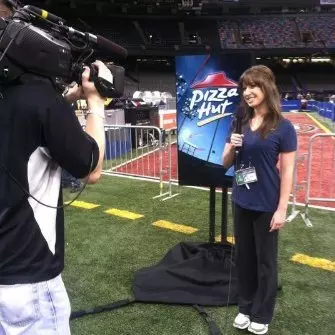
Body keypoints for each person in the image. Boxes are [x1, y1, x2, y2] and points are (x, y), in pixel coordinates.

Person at [0, 12, 109, 332]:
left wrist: (67, 97)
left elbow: (27, 127)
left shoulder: (16, 98)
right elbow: (91, 168)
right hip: (28, 272)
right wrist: (96, 102)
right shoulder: (42, 102)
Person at [222, 65, 297, 335]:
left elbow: (287, 171)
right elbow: (225, 162)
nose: (248, 92)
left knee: (266, 261)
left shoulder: (283, 127)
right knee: (244, 258)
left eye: (253, 86)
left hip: (267, 204)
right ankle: (245, 307)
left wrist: (281, 209)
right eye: (244, 87)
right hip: (241, 199)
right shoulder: (239, 121)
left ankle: (262, 314)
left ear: (267, 88)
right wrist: (231, 145)